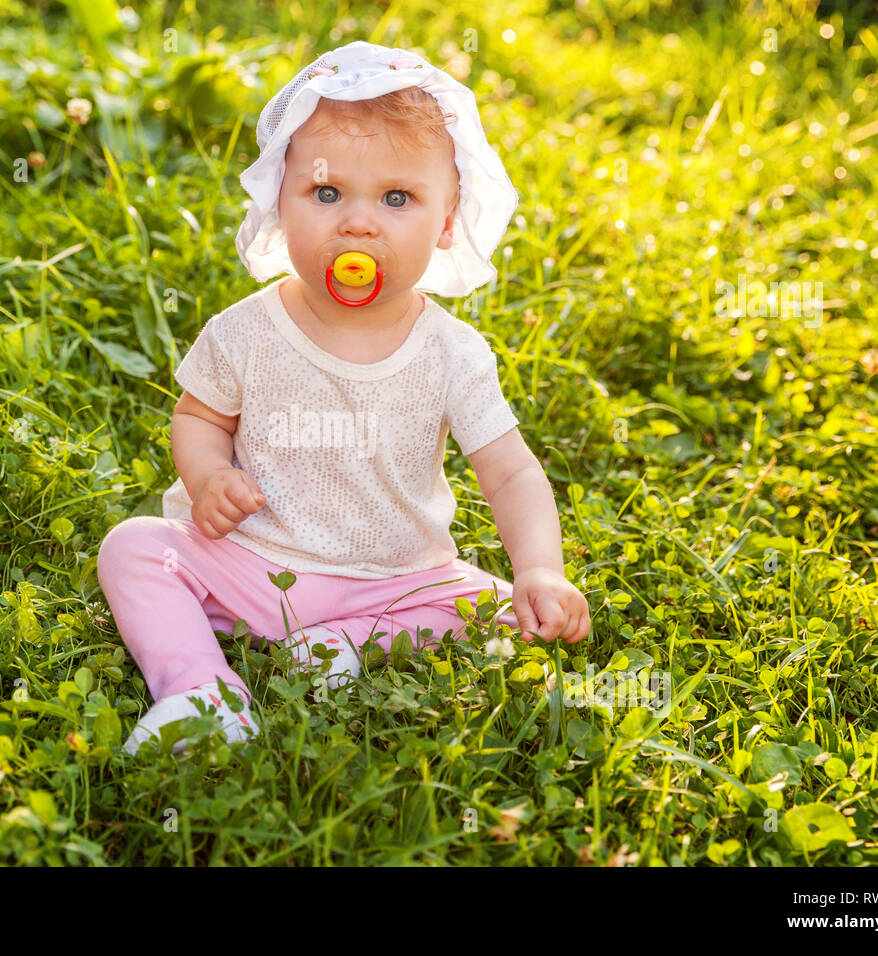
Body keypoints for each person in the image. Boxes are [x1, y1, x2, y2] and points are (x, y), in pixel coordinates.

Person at [98, 40, 590, 756]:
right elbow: (199, 417)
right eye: (326, 193)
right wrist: (208, 479)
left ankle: (341, 642)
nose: (358, 223)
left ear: (447, 222)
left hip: (396, 579)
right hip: (255, 565)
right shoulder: (246, 331)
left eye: (397, 198)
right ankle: (201, 691)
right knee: (136, 549)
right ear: (280, 201)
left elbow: (510, 471)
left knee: (497, 611)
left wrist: (540, 570)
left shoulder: (451, 353)